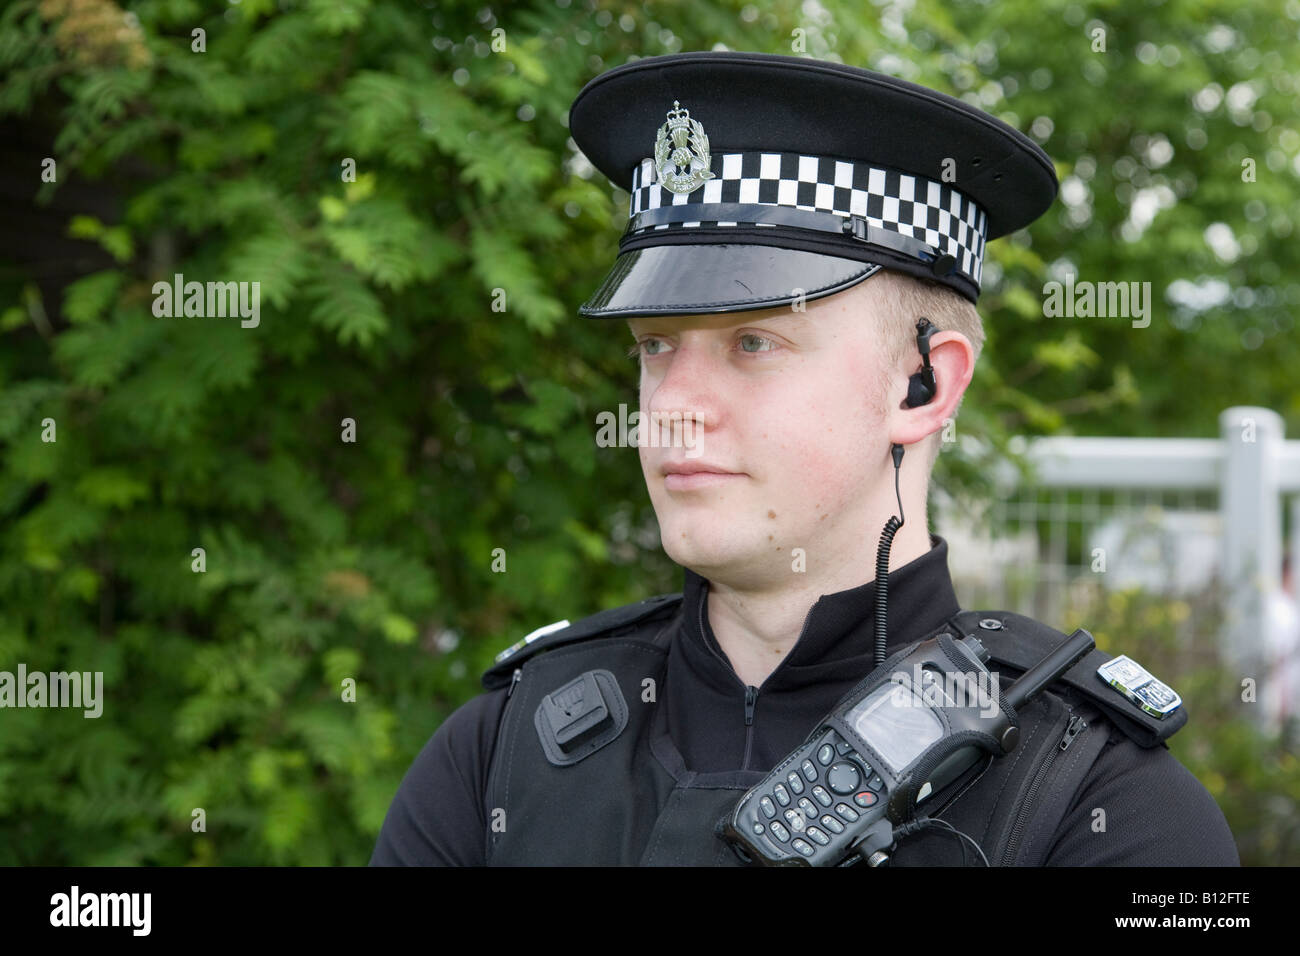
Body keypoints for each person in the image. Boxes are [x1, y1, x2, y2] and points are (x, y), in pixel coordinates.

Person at [370, 50, 1239, 866]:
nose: (670, 409)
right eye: (655, 345)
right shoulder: (502, 751)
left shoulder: (1096, 804)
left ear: (923, 387)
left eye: (753, 342)